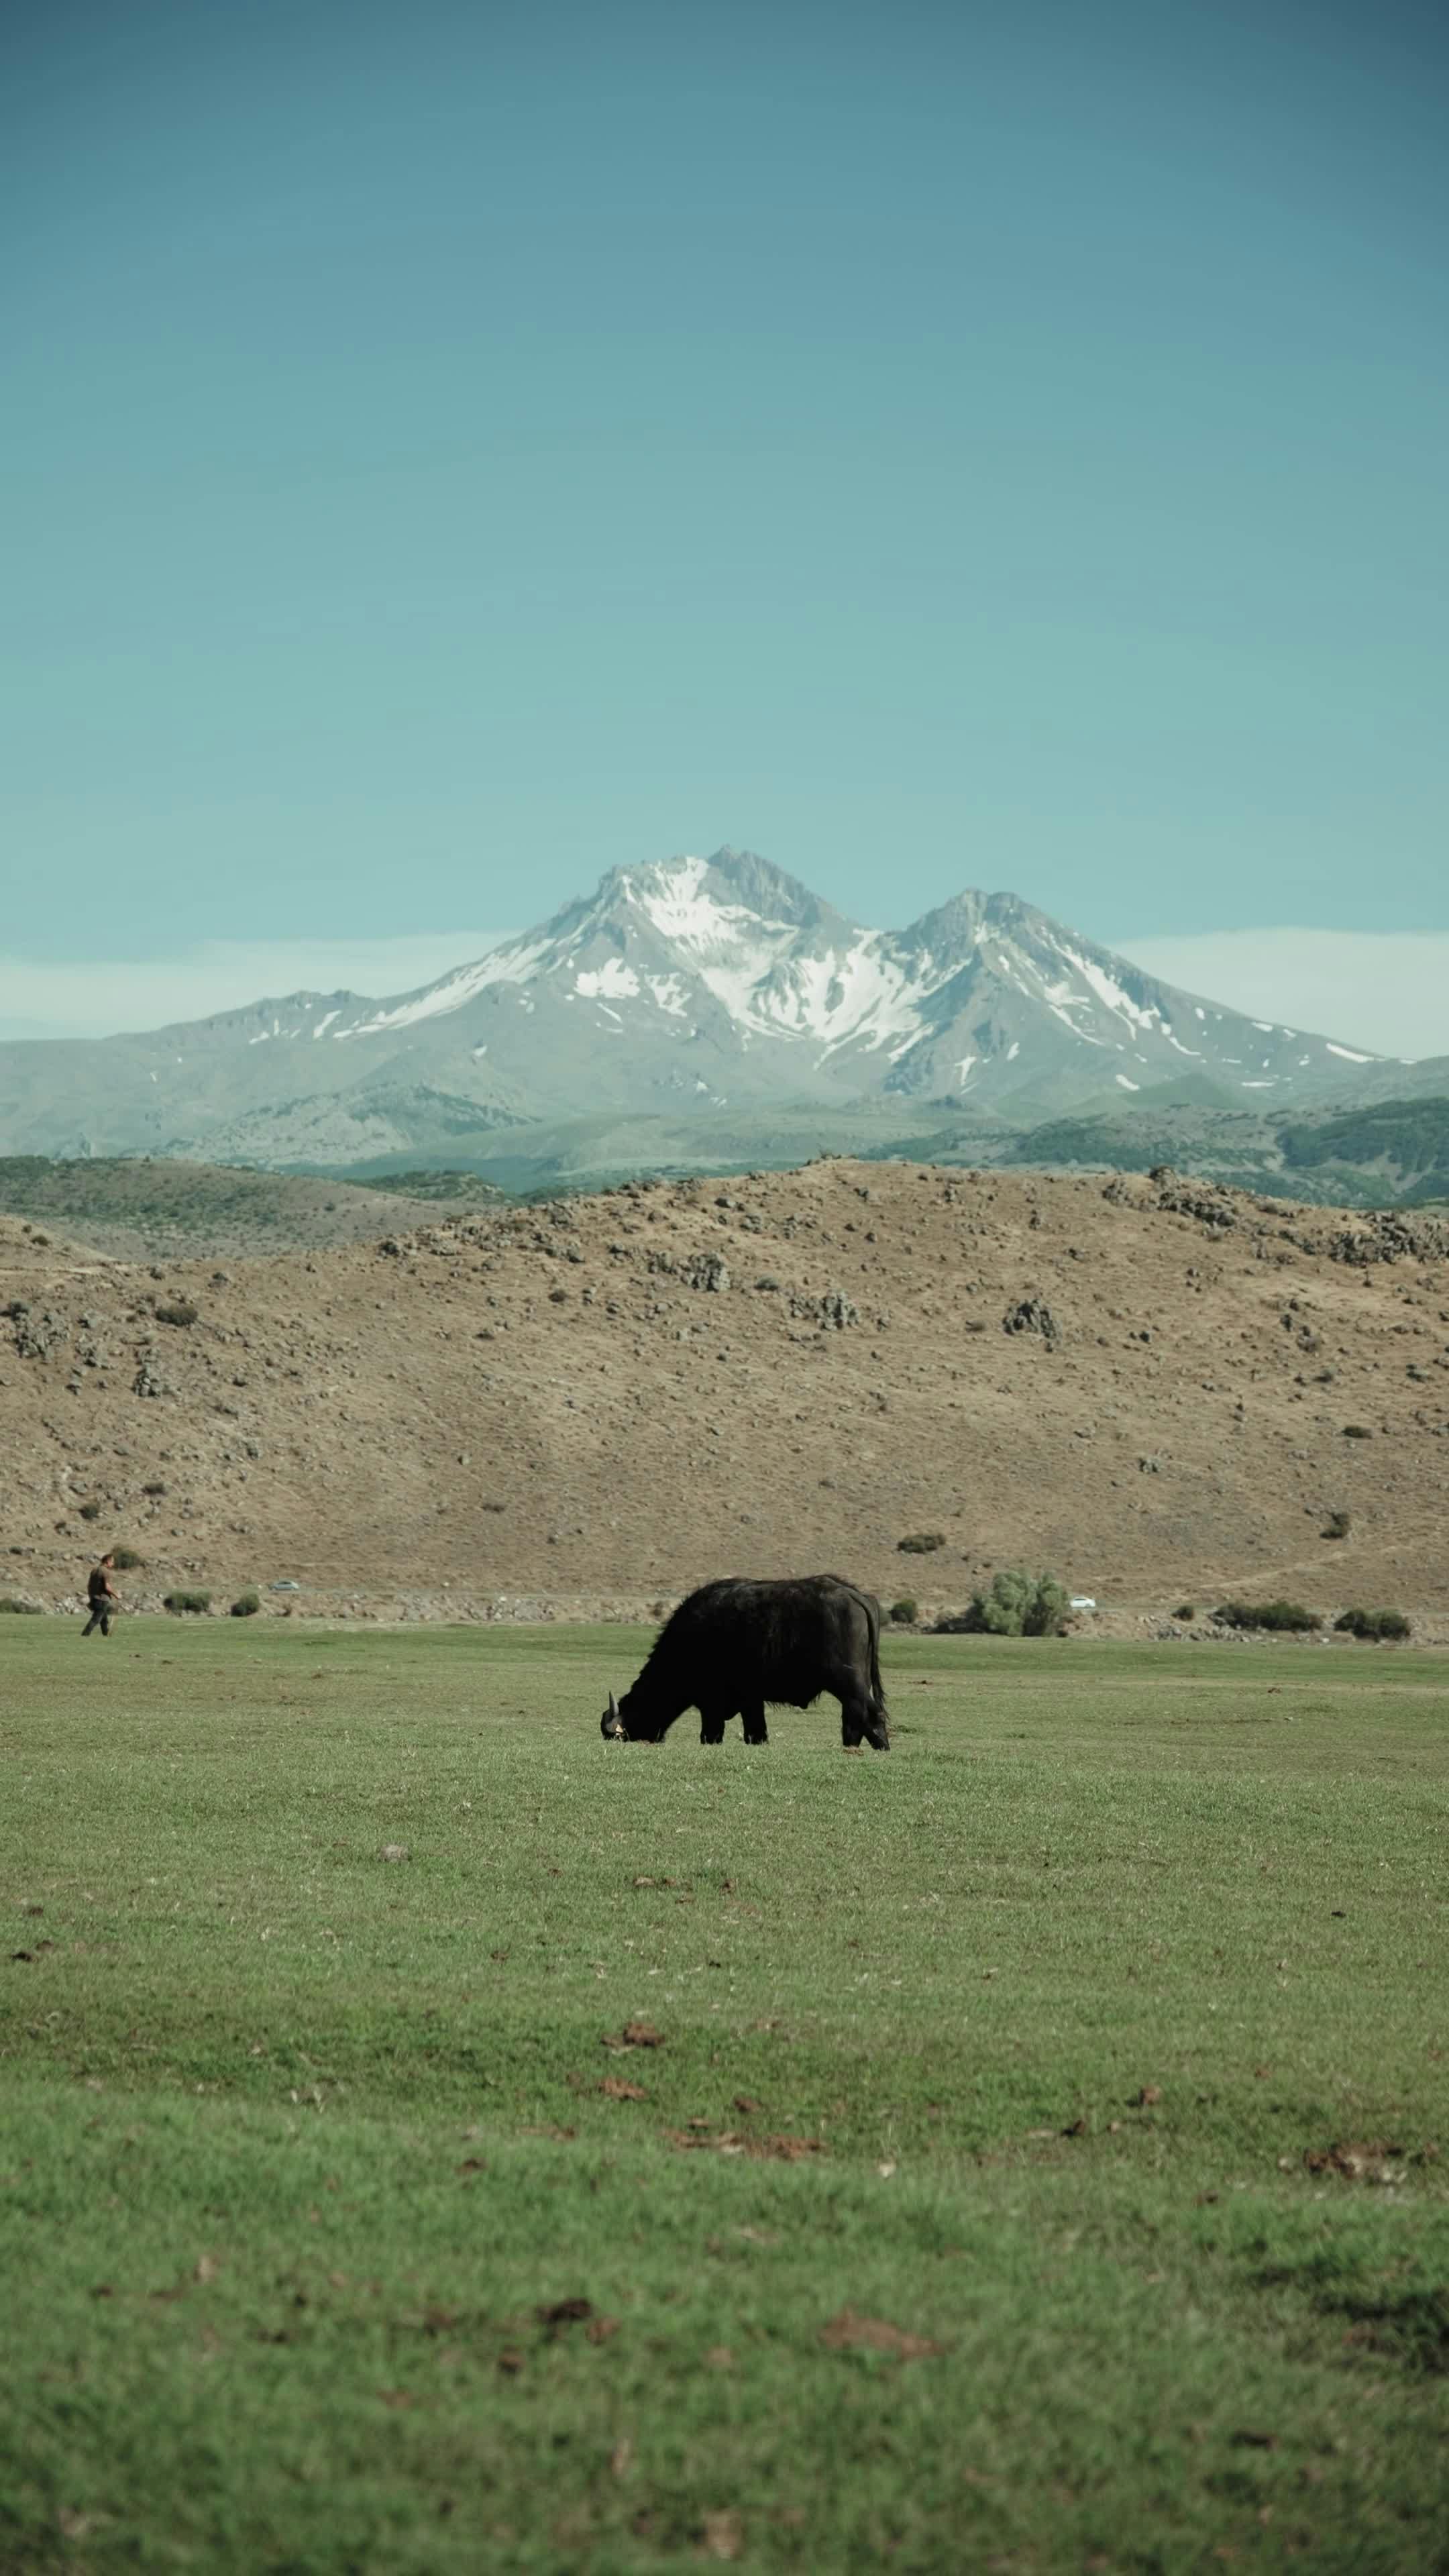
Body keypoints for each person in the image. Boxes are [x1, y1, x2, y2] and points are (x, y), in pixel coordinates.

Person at [83, 1551, 121, 1639]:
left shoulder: (94, 1570)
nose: (113, 1564)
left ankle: (106, 1635)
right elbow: (107, 1587)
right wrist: (116, 1595)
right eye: (112, 1562)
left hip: (94, 1598)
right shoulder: (106, 1572)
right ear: (107, 1561)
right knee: (96, 1619)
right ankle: (84, 1635)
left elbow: (89, 1585)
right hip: (102, 1599)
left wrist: (91, 1596)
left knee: (104, 1620)